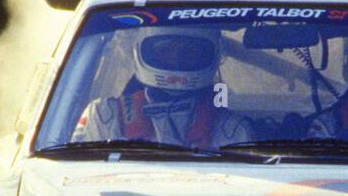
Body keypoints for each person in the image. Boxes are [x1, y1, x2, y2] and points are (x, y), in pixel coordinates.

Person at [74, 28, 250, 149]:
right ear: (139, 51)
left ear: (212, 55)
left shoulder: (232, 129)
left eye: (189, 53)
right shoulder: (103, 116)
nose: (177, 59)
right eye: (165, 50)